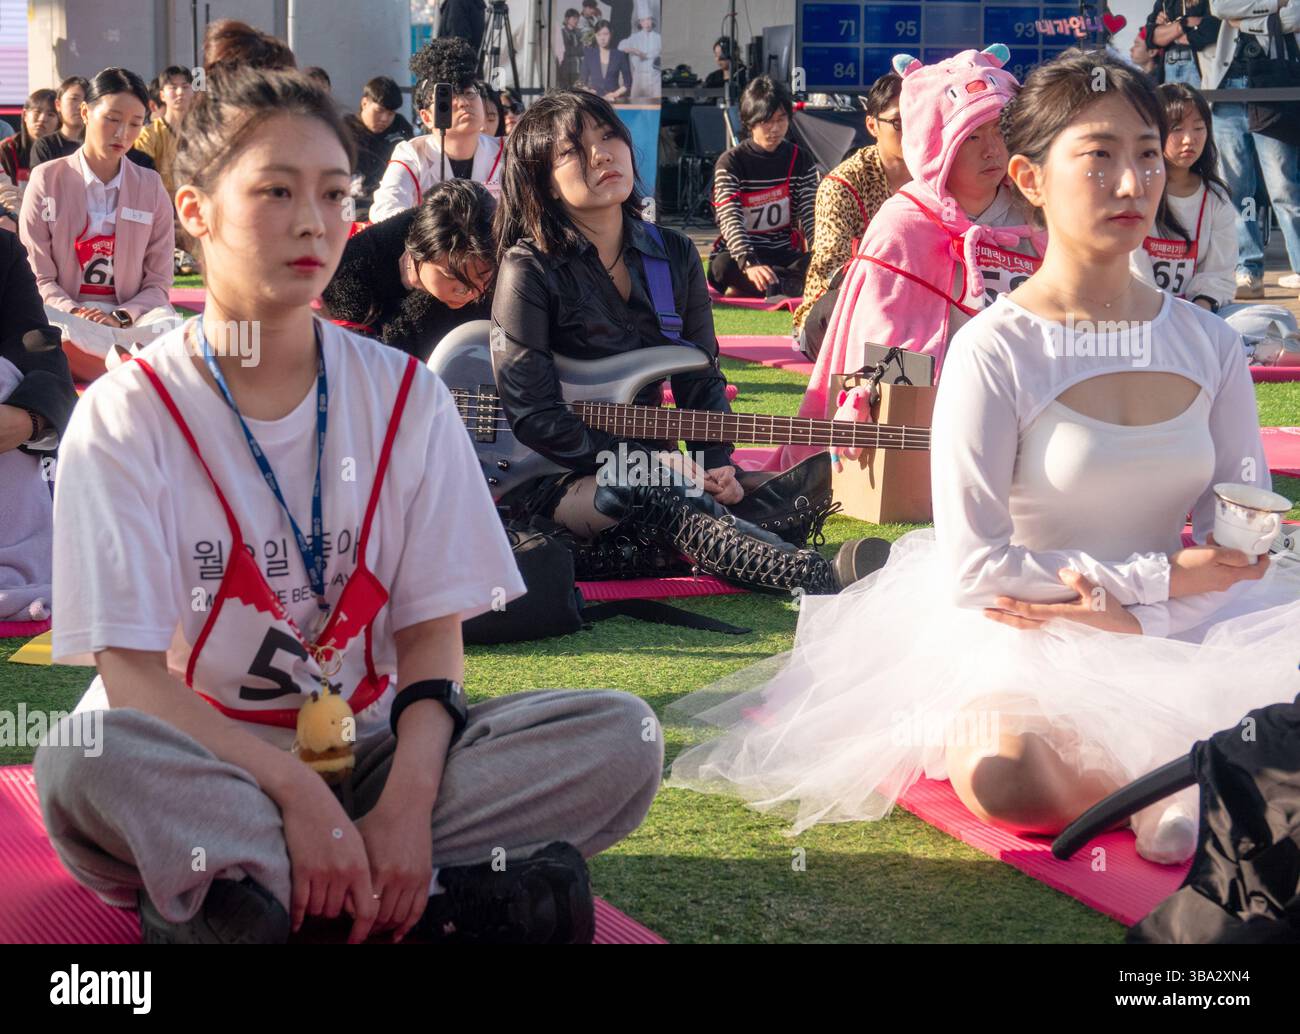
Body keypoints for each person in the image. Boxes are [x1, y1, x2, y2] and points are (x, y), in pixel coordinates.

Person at [34, 50, 661, 946]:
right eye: (277, 192)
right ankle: (429, 899)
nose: (314, 223)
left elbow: (431, 638)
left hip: (370, 755)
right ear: (194, 212)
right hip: (198, 762)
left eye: (334, 194)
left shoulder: (406, 397)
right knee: (83, 760)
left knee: (621, 739)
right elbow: (130, 679)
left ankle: (256, 902)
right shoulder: (127, 416)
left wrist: (403, 806)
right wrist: (292, 791)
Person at [668, 48, 1300, 867]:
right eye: (1098, 157)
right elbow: (977, 569)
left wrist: (1146, 605)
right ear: (1032, 179)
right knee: (1008, 774)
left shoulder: (1209, 345)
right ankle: (1183, 781)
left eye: (1145, 154)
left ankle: (1171, 780)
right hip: (1026, 626)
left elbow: (1243, 544)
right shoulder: (995, 349)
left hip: (1190, 622)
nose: (1132, 183)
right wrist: (1152, 584)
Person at [491, 90, 871, 596]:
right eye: (573, 150)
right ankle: (817, 574)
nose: (602, 154)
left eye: (608, 136)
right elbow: (534, 415)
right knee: (650, 488)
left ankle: (662, 542)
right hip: (556, 475)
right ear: (542, 180)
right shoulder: (528, 266)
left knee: (804, 482)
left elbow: (700, 376)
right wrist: (645, 462)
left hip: (661, 461)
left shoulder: (672, 252)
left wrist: (717, 461)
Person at [782, 46, 1045, 472]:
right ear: (935, 142)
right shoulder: (905, 220)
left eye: (1000, 131)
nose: (992, 149)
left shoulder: (1038, 210)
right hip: (935, 408)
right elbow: (881, 336)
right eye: (972, 136)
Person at [18, 68, 177, 382]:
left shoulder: (150, 185)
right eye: (112, 119)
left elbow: (158, 283)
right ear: (85, 112)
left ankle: (107, 366)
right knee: (41, 330)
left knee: (171, 327)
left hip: (131, 317)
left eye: (135, 123)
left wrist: (122, 315)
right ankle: (134, 370)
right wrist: (77, 312)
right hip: (66, 313)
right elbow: (37, 275)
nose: (123, 134)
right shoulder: (47, 178)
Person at [1134, 82, 1300, 352]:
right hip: (1141, 315)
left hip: (1199, 316)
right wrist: (1164, 316)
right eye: (1177, 129)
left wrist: (1199, 311)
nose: (1190, 139)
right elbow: (1131, 270)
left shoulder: (1216, 198)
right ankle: (1216, 347)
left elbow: (1219, 274)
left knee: (1280, 319)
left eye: (1199, 128)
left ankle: (1195, 343)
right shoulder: (1135, 192)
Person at [792, 71, 909, 359]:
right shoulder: (842, 185)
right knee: (844, 309)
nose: (911, 131)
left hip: (912, 302)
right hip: (844, 302)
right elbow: (834, 268)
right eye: (898, 122)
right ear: (872, 124)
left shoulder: (937, 178)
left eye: (918, 119)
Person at [321, 179, 494, 361]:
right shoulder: (351, 270)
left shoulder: (505, 275)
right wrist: (418, 304)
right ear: (418, 252)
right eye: (450, 275)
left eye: (480, 277)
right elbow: (367, 364)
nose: (465, 291)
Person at [0, 227, 77, 623]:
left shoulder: (2, 249)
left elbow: (37, 345)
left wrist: (29, 419)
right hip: (76, 309)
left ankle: (15, 562)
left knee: (5, 379)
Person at [1204, 0, 1300, 301]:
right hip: (1226, 93)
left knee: (1284, 189)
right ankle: (1247, 269)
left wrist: (1244, 19)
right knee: (1236, 189)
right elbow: (1221, 7)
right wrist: (1273, 6)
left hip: (1274, 91)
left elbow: (1294, 16)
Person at [370, 38, 505, 221]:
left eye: (470, 93)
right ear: (427, 117)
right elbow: (385, 210)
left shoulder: (507, 152)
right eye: (449, 96)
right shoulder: (412, 154)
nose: (464, 102)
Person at [707, 76, 816, 300]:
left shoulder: (800, 159)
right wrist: (749, 262)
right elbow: (729, 218)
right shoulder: (731, 162)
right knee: (721, 267)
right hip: (741, 255)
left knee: (816, 264)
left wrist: (823, 255)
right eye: (766, 121)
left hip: (784, 253)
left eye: (781, 119)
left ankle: (774, 284)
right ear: (750, 122)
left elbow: (811, 215)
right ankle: (784, 284)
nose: (774, 129)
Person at [343, 76, 415, 221]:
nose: (384, 119)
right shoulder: (344, 131)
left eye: (390, 113)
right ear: (364, 103)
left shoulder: (401, 127)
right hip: (353, 207)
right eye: (379, 111)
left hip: (393, 205)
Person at [133, 66, 195, 201]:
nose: (180, 92)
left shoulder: (202, 132)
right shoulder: (149, 134)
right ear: (162, 95)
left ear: (192, 91)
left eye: (185, 87)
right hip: (160, 205)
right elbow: (140, 176)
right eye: (173, 87)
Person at [1144, 0, 1220, 87]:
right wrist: (1183, 25)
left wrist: (1169, 31)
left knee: (1197, 99)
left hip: (1200, 64)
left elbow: (1215, 27)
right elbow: (1150, 38)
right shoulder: (1164, 2)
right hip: (1169, 64)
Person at [0, 90, 59, 189]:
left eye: (50, 114)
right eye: (37, 112)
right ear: (25, 115)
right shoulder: (6, 149)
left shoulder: (67, 152)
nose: (42, 119)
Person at [29, 77, 90, 167]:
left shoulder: (97, 144)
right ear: (58, 104)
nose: (80, 106)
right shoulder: (45, 146)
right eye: (74, 99)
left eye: (86, 100)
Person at [618, 9, 662, 102]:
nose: (646, 23)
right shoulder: (635, 37)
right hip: (639, 76)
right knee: (635, 104)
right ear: (640, 23)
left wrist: (642, 54)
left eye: (648, 19)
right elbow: (620, 46)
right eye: (643, 20)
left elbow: (654, 53)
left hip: (654, 76)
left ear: (652, 21)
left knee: (656, 104)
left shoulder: (658, 37)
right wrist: (633, 50)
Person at [580, 21, 631, 102]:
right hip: (594, 101)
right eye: (599, 34)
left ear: (611, 34)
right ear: (595, 36)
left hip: (614, 100)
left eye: (605, 34)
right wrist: (588, 91)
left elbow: (627, 83)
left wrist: (615, 94)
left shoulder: (620, 55)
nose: (602, 38)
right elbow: (582, 82)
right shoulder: (589, 55)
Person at [555, 8, 586, 90]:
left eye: (577, 18)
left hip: (578, 68)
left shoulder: (578, 33)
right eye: (574, 18)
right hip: (566, 68)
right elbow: (566, 51)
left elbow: (583, 50)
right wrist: (579, 50)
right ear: (567, 19)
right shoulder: (562, 32)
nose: (576, 21)